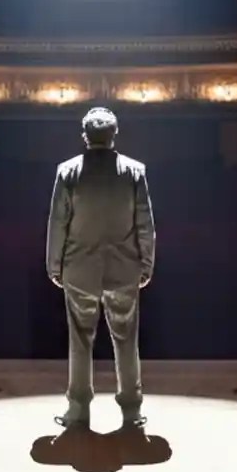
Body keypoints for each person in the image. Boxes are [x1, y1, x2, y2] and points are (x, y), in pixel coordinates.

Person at [46, 107, 155, 428]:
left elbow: (58, 222)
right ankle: (132, 411)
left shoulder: (67, 172)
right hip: (124, 270)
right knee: (127, 339)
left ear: (84, 136)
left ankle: (78, 409)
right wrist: (146, 262)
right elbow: (144, 224)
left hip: (79, 270)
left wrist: (54, 265)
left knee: (80, 341)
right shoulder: (135, 172)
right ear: (114, 134)